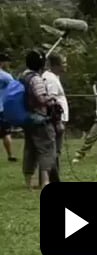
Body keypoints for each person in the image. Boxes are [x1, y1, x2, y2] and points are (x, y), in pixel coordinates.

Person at [18, 51, 57, 189]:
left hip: (27, 118)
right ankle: (45, 181)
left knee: (30, 149)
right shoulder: (36, 79)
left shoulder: (23, 76)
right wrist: (51, 99)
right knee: (46, 147)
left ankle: (28, 181)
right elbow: (41, 98)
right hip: (39, 118)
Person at [41, 53, 70, 182]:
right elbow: (52, 102)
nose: (65, 65)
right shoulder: (51, 80)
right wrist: (58, 121)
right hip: (56, 119)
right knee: (55, 150)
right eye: (63, 63)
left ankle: (51, 176)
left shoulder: (52, 77)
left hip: (58, 118)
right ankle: (54, 178)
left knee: (54, 149)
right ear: (55, 65)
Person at [0, 52, 17, 162]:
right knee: (6, 133)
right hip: (1, 108)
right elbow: (15, 88)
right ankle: (10, 155)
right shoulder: (5, 76)